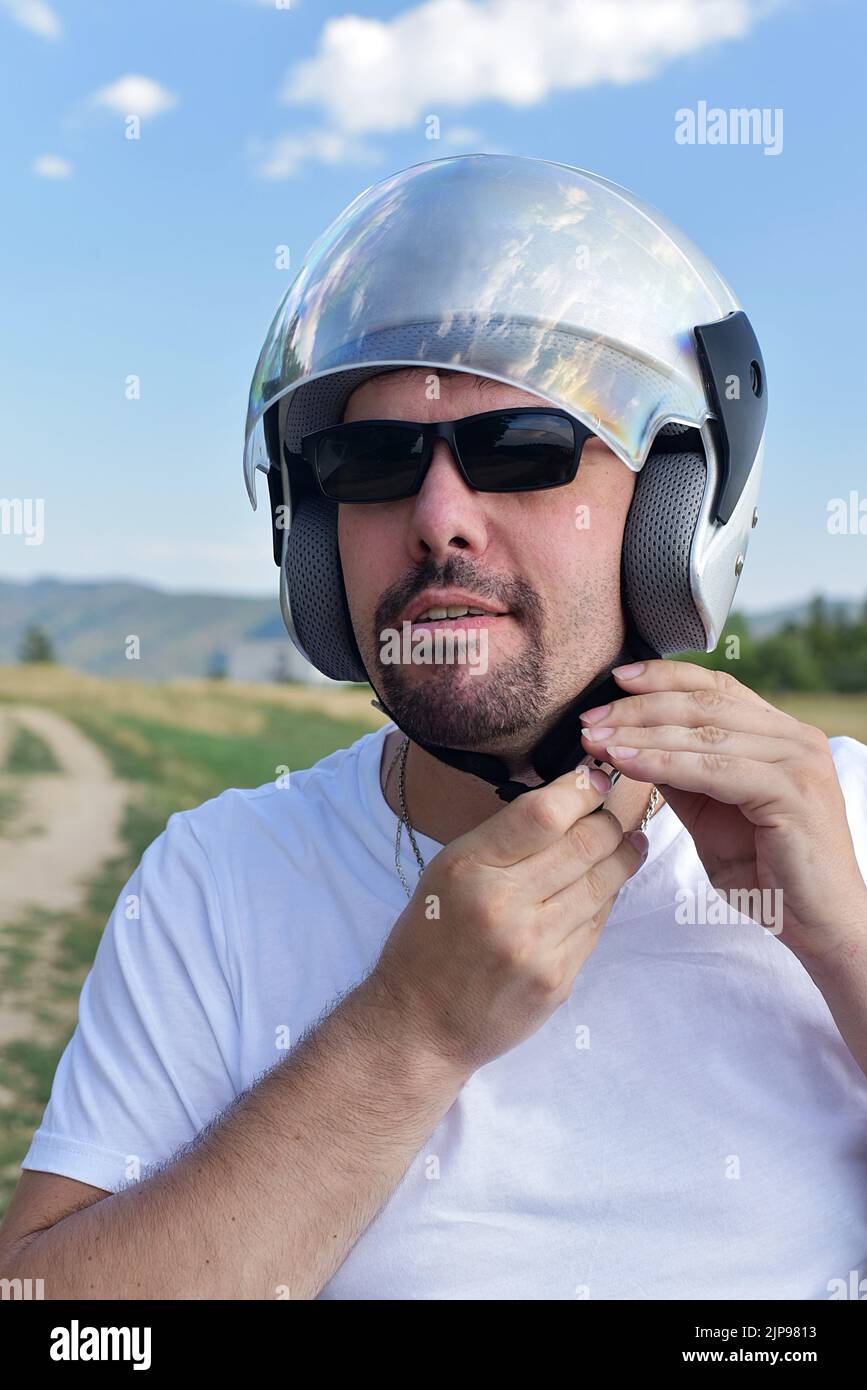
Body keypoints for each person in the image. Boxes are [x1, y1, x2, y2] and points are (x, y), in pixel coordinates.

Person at [2, 155, 866, 1302]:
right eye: (372, 462)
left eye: (523, 447)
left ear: (675, 506)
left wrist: (847, 947)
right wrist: (404, 1034)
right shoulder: (216, 880)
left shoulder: (843, 824)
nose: (439, 517)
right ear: (315, 533)